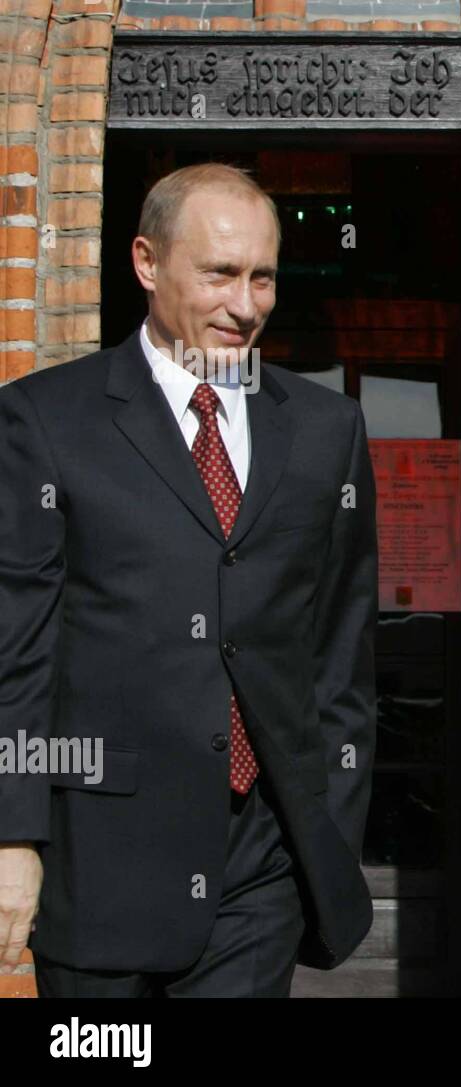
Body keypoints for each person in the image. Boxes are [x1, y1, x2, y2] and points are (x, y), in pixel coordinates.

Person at [0, 163, 377, 996]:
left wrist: (328, 822)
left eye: (264, 277)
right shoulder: (46, 422)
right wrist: (12, 838)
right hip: (96, 865)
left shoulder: (325, 432)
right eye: (219, 274)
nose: (246, 305)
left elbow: (341, 652)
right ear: (145, 262)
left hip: (257, 869)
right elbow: (15, 649)